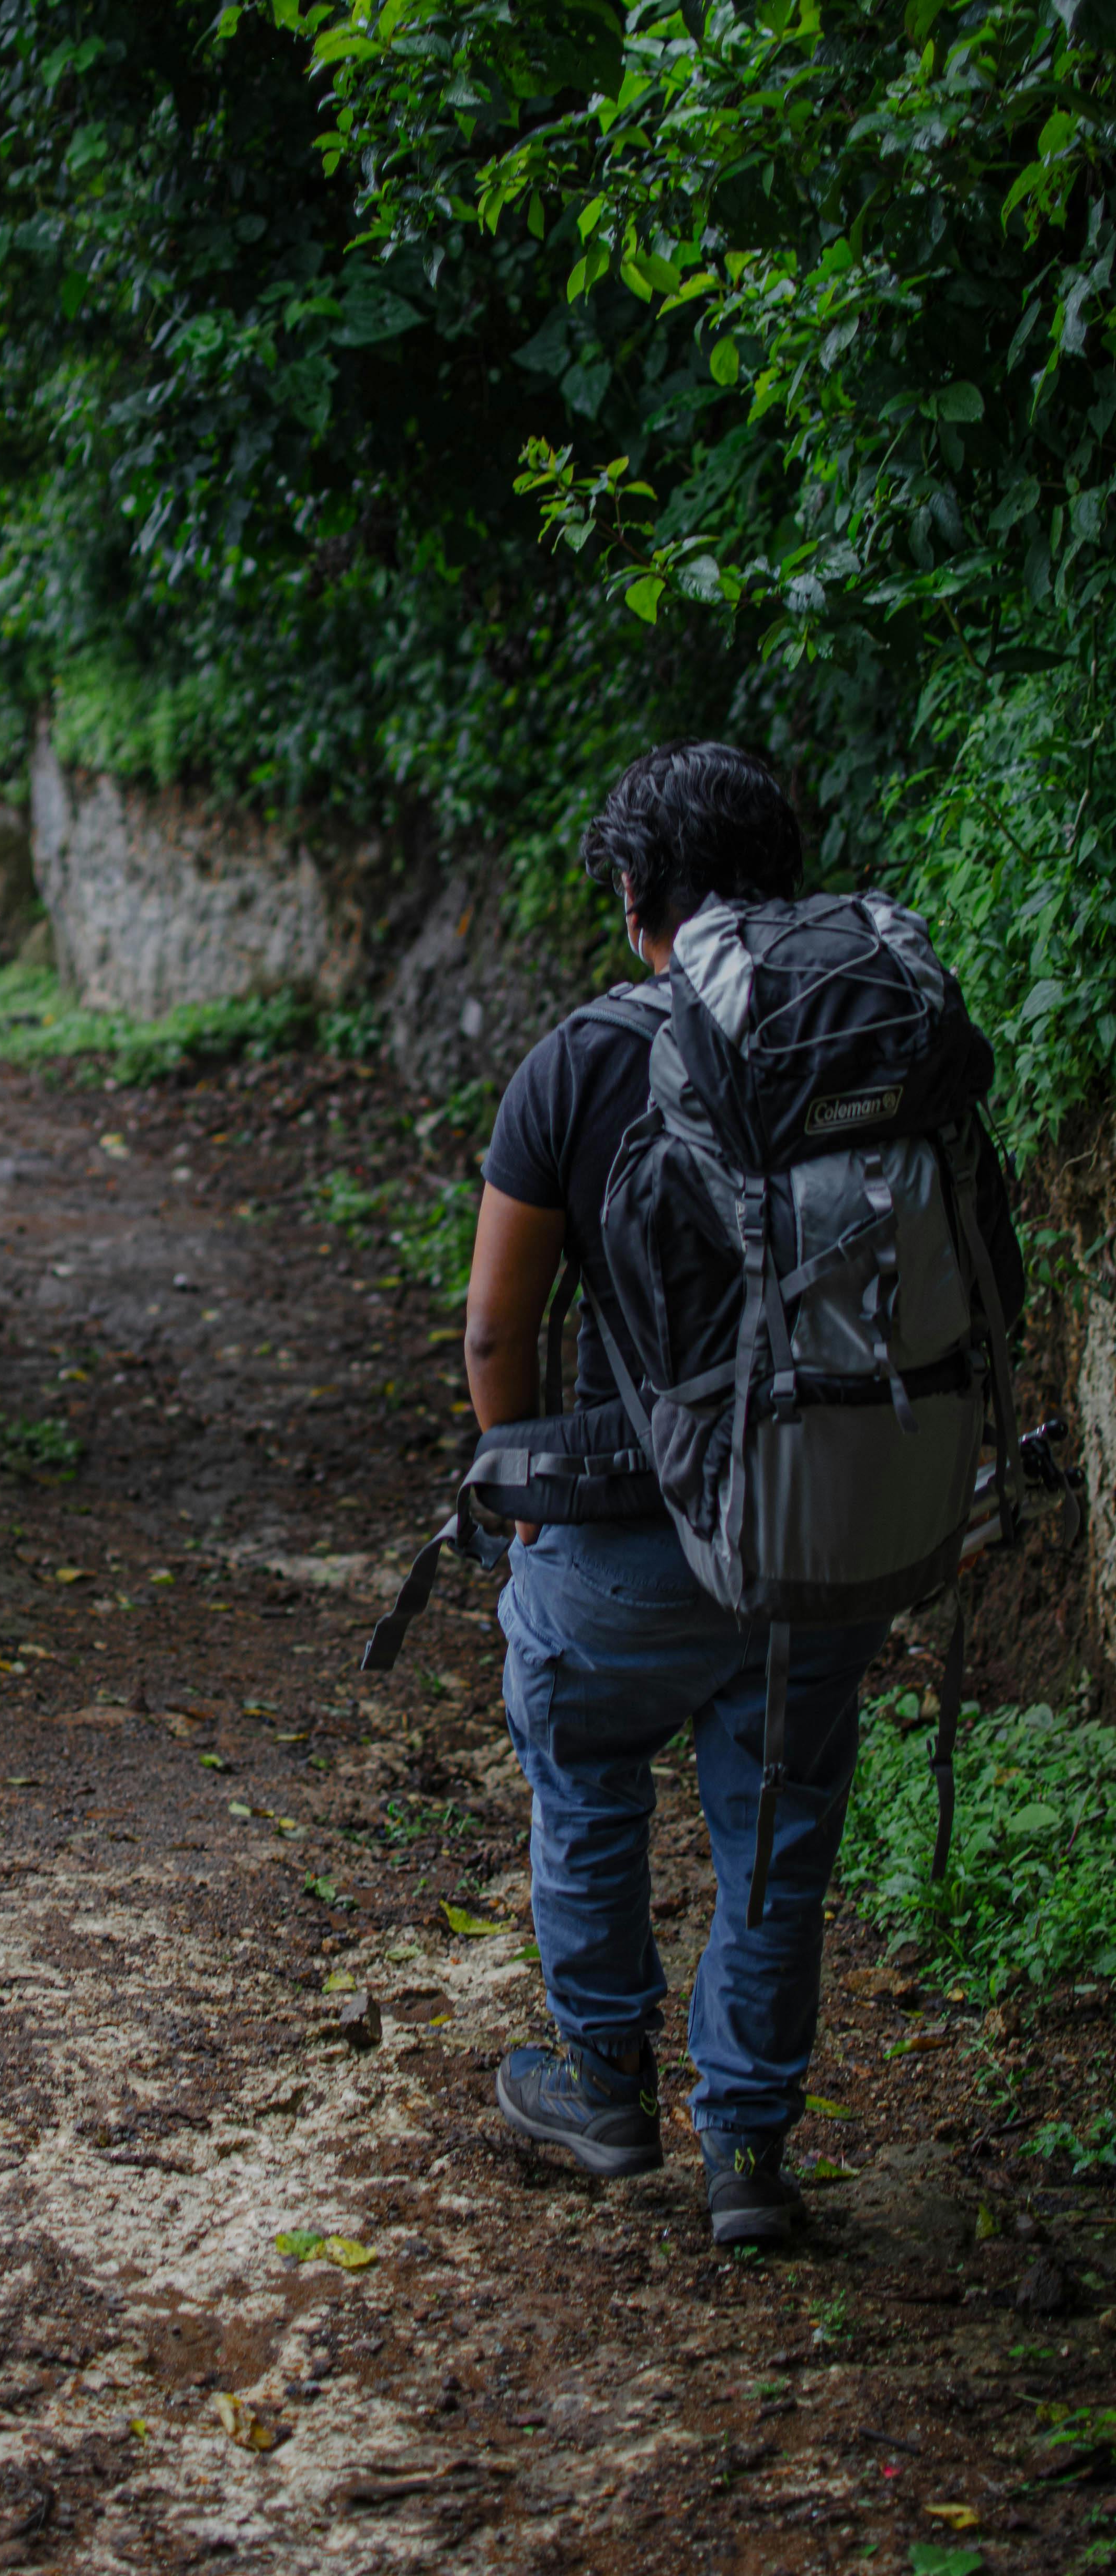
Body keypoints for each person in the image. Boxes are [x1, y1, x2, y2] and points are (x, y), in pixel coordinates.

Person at [463, 741, 1007, 2248]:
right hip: (821, 1519)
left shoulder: (579, 1060)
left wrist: (529, 1502)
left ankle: (604, 2088)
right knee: (778, 1830)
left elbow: (498, 1332)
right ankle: (751, 2157)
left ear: (639, 893)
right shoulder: (870, 1034)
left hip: (626, 1546)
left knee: (586, 1775)